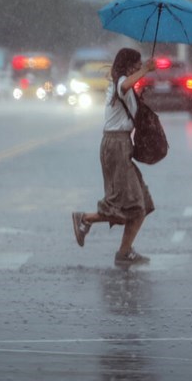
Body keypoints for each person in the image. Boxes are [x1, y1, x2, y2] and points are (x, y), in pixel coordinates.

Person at [72, 48, 157, 266]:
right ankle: (85, 218)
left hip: (122, 145)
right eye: (137, 64)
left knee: (142, 204)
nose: (139, 67)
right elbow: (124, 86)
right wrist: (146, 70)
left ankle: (124, 252)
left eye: (141, 65)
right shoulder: (120, 83)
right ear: (128, 66)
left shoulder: (125, 86)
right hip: (115, 145)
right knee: (127, 204)